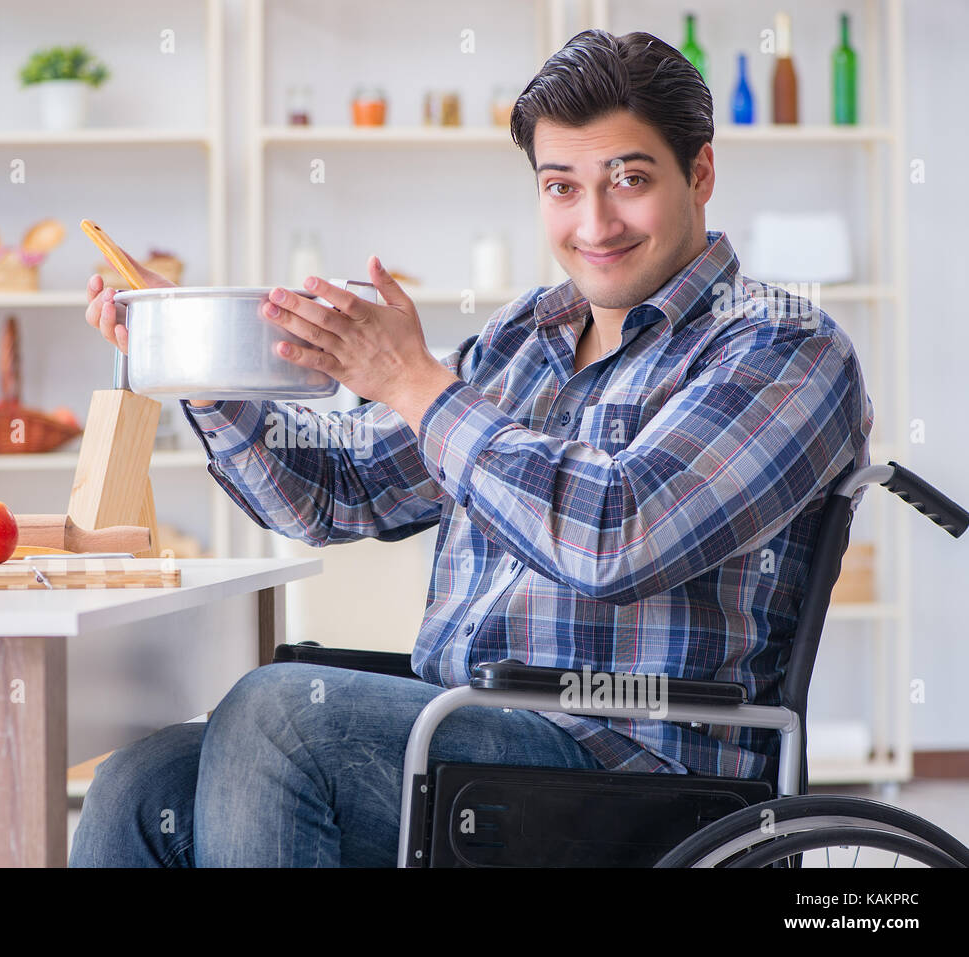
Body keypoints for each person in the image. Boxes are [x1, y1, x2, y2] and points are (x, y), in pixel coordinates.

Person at [70, 28, 873, 867]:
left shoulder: (783, 346)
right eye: (562, 186)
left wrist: (417, 383)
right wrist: (199, 361)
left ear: (700, 174)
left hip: (642, 779)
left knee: (280, 716)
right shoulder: (525, 337)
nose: (594, 222)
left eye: (628, 180)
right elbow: (339, 489)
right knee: (142, 781)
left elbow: (619, 532)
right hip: (474, 738)